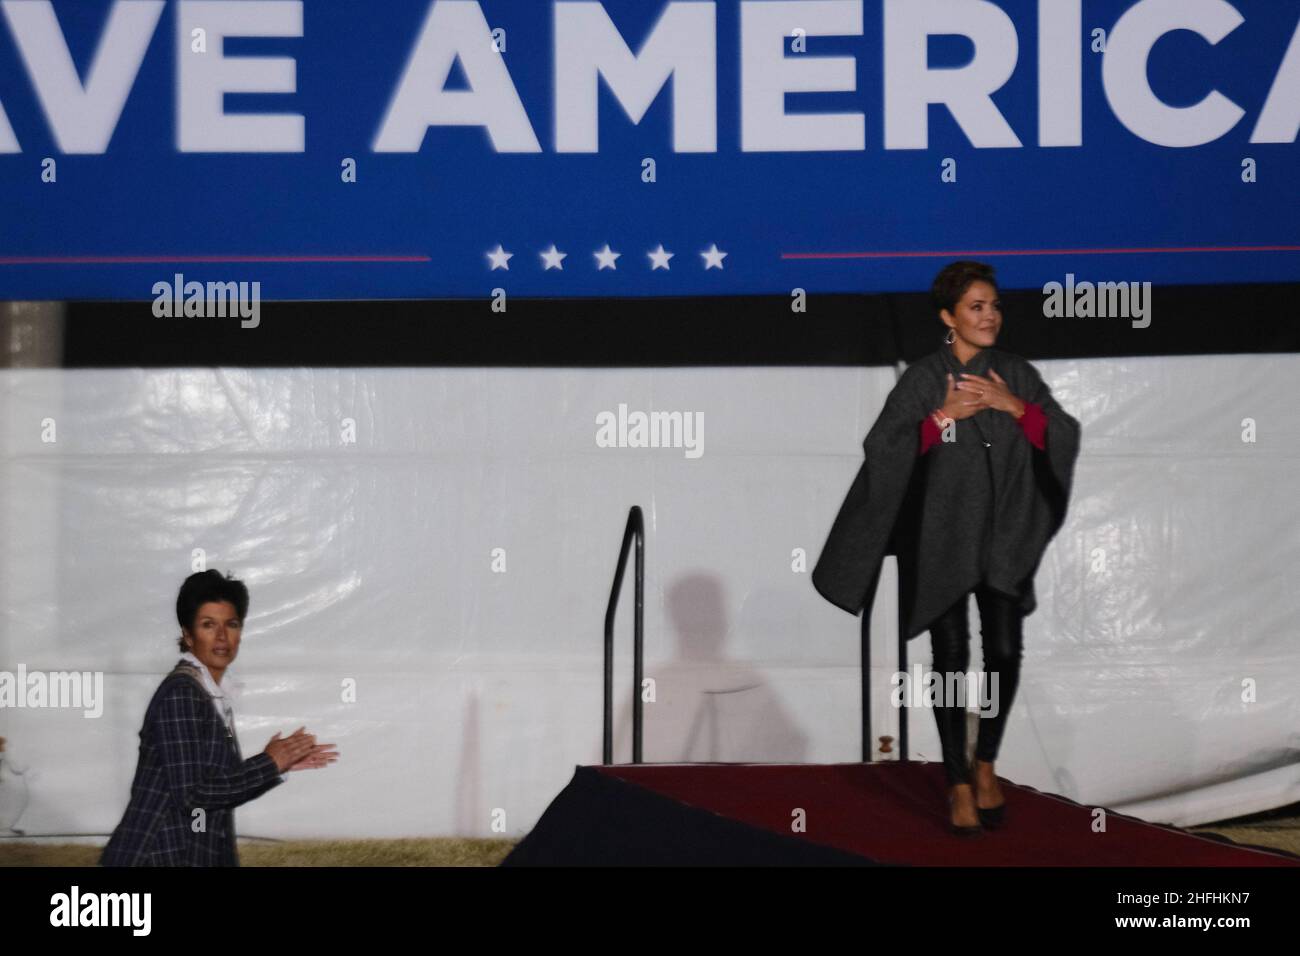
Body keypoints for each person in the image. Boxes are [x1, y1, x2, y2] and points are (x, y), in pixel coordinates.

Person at [812, 261, 1081, 836]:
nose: (990, 316)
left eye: (995, 306)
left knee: (1005, 652)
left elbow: (1061, 434)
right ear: (948, 317)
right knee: (952, 659)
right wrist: (941, 417)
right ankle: (957, 782)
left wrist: (1017, 409)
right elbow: (883, 448)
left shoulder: (1016, 374)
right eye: (977, 307)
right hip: (937, 540)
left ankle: (987, 763)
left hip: (1004, 537)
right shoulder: (922, 379)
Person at [101, 570, 338, 865]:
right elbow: (193, 796)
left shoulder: (207, 693)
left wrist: (278, 766)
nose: (222, 636)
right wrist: (269, 763)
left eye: (232, 624)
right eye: (208, 625)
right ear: (188, 635)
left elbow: (217, 790)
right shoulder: (181, 694)